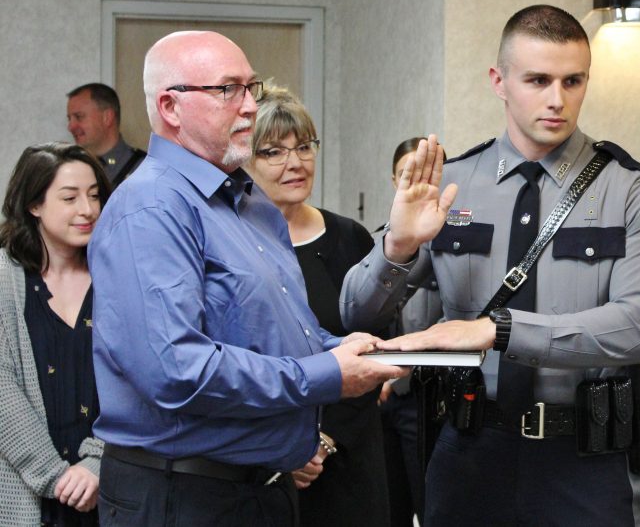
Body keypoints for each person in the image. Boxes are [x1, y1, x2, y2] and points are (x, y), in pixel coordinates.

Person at [345, 5, 640, 526]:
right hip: (468, 451)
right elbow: (357, 313)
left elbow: (639, 328)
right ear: (498, 81)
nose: (557, 99)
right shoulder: (451, 184)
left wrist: (497, 330)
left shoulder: (632, 190)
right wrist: (399, 247)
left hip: (584, 460)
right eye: (538, 80)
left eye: (573, 81)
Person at [87, 30, 404, 527]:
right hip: (184, 496)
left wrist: (336, 348)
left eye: (250, 87)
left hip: (262, 491)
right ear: (170, 107)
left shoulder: (250, 205)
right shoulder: (151, 207)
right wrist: (326, 374)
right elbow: (176, 369)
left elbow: (264, 330)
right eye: (227, 90)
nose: (251, 106)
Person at [246, 84, 389, 526]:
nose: (296, 163)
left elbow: (376, 347)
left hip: (346, 455)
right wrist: (284, 447)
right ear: (243, 161)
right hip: (257, 463)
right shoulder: (233, 243)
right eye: (274, 152)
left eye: (304, 146)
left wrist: (323, 442)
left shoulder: (350, 238)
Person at [0, 143, 112, 526]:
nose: (88, 209)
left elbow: (141, 379)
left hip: (108, 488)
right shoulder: (5, 279)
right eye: (70, 197)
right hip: (25, 491)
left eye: (94, 195)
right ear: (34, 204)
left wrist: (99, 460)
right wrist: (56, 477)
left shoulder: (117, 275)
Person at [376, 137, 446, 527]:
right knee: (389, 507)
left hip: (430, 396)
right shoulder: (379, 245)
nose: (416, 180)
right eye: (407, 173)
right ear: (393, 180)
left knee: (431, 503)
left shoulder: (451, 246)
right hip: (383, 398)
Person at [66, 84, 146, 188]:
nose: (71, 127)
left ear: (107, 118)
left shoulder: (144, 168)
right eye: (69, 119)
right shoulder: (70, 168)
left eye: (79, 117)